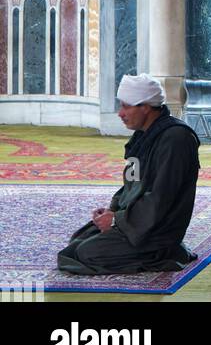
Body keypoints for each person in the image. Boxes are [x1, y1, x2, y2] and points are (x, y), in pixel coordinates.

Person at [57, 73, 201, 276]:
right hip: (137, 223)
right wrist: (112, 210)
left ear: (145, 107)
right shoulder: (145, 135)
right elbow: (132, 184)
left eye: (126, 106)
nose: (120, 113)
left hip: (156, 231)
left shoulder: (176, 139)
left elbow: (161, 199)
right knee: (77, 241)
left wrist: (117, 221)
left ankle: (165, 253)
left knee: (85, 253)